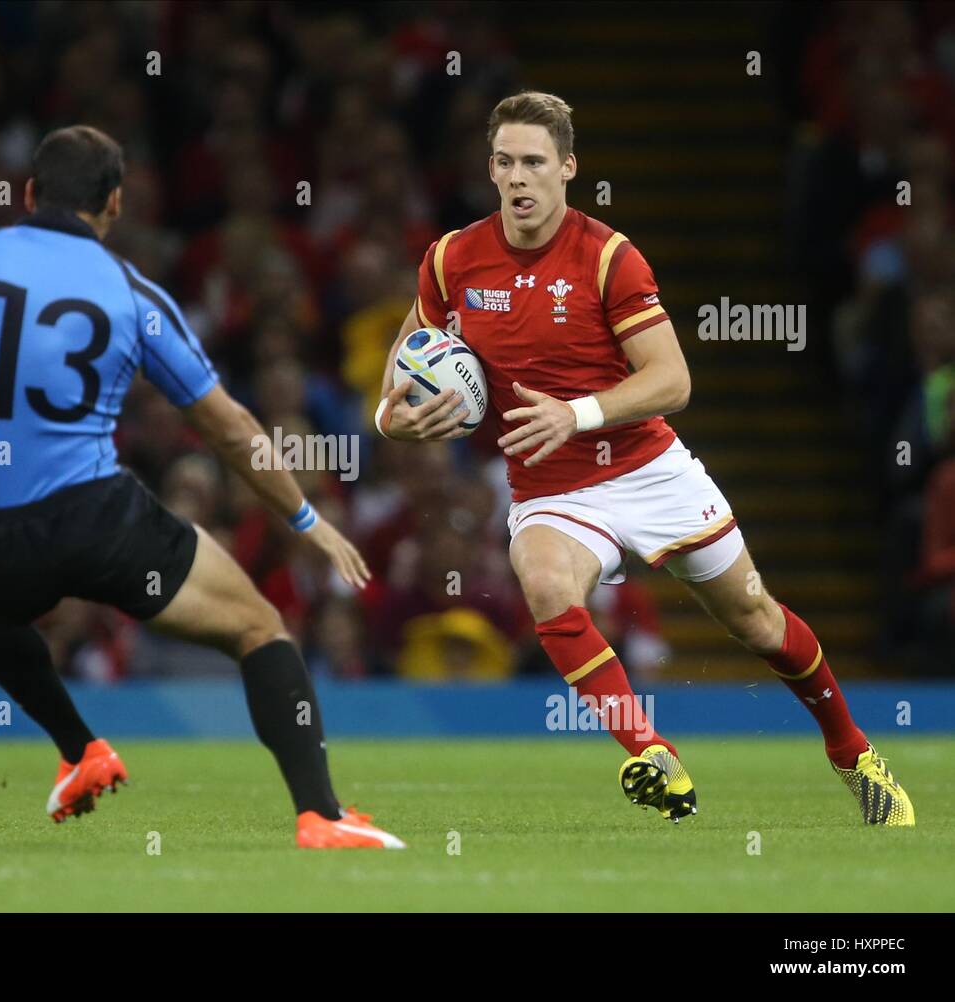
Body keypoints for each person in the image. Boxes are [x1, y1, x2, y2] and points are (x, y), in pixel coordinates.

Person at [0, 125, 404, 849]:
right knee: (258, 629)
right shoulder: (133, 293)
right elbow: (228, 426)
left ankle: (79, 747)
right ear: (115, 204)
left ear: (29, 195)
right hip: (100, 523)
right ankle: (321, 815)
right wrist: (307, 518)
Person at [375, 91, 913, 826]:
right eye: (505, 162)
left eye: (535, 162)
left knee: (755, 621)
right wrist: (389, 418)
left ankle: (852, 752)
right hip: (551, 488)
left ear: (568, 168)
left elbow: (673, 380)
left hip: (647, 469)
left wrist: (577, 413)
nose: (519, 178)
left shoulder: (607, 257)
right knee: (544, 585)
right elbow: (408, 358)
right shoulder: (452, 261)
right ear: (491, 169)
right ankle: (649, 752)